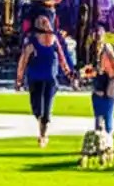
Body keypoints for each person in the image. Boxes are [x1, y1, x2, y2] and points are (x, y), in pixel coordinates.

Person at [15, 15, 74, 147]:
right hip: (35, 79)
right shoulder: (32, 42)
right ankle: (41, 124)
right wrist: (19, 79)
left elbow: (62, 58)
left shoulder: (54, 41)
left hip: (50, 80)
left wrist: (68, 73)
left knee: (46, 112)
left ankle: (43, 135)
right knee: (37, 109)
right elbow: (23, 61)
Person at [90, 23, 114, 133]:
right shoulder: (92, 51)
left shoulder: (106, 48)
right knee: (98, 117)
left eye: (99, 34)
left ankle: (107, 142)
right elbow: (92, 70)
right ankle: (99, 141)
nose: (97, 36)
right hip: (99, 85)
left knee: (107, 116)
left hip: (110, 84)